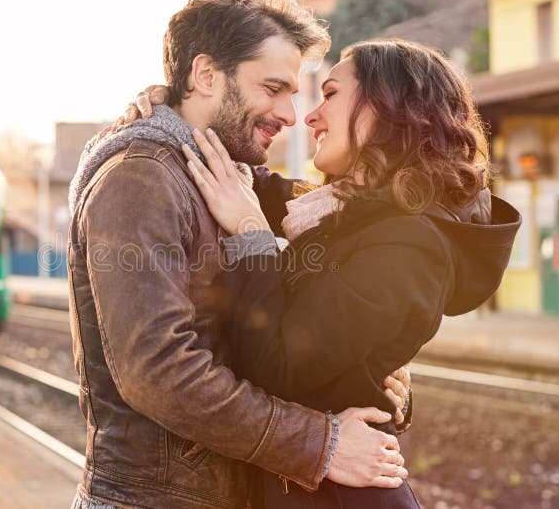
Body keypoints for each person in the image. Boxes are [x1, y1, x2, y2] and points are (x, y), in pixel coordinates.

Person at [67, 0, 411, 509]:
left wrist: (372, 362)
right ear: (206, 75)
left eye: (294, 93)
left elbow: (282, 318)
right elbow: (157, 372)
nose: (291, 114)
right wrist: (322, 444)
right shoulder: (140, 179)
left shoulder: (225, 177)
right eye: (272, 88)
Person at [169, 39, 521, 507]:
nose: (309, 116)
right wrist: (174, 108)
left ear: (391, 108)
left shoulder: (408, 243)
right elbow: (246, 176)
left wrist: (252, 235)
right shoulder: (341, 213)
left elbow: (279, 366)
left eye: (330, 94)